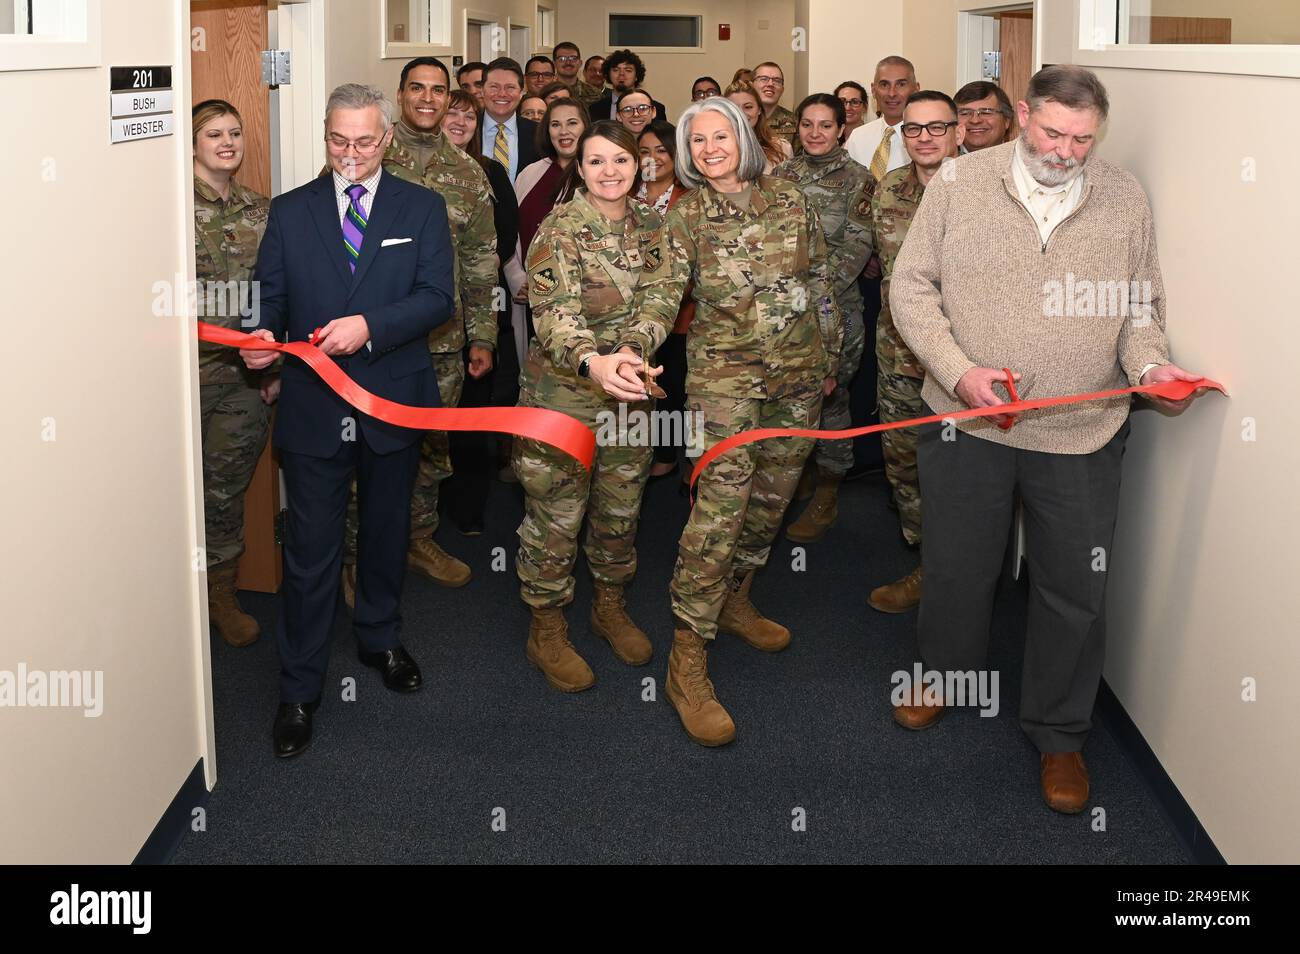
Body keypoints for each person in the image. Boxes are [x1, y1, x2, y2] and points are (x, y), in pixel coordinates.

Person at [889, 66, 1208, 813]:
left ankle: (1060, 733)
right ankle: (945, 673)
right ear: (1022, 116)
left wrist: (1153, 365)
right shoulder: (959, 184)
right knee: (959, 565)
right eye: (1053, 133)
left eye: (1082, 139)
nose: (1065, 151)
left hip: (1079, 433)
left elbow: (1139, 307)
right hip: (968, 422)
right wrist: (960, 371)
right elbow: (910, 287)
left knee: (1074, 590)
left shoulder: (1124, 196)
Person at [239, 84, 454, 758]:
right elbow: (269, 297)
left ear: (387, 137)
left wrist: (371, 326)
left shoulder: (421, 207)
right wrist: (259, 338)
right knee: (309, 553)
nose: (351, 154)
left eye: (365, 141)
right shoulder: (291, 211)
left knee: (387, 533)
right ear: (325, 134)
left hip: (392, 398)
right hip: (313, 408)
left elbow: (435, 298)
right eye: (339, 140)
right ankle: (299, 687)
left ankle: (380, 639)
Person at [633, 97, 842, 747]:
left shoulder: (791, 199)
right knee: (718, 516)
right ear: (688, 152)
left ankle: (733, 600)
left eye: (721, 136)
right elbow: (660, 297)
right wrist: (633, 349)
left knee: (770, 507)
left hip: (798, 381)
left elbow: (822, 282)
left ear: (744, 139)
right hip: (725, 388)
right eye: (698, 141)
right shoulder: (687, 216)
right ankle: (686, 662)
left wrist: (831, 357)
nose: (711, 148)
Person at [515, 120, 669, 691]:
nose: (611, 172)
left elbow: (663, 295)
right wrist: (593, 361)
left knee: (620, 508)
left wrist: (630, 350)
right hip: (563, 398)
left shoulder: (655, 226)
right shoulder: (560, 230)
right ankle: (547, 625)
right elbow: (553, 314)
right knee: (556, 517)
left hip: (629, 393)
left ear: (638, 166)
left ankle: (608, 605)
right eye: (597, 161)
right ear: (579, 169)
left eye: (621, 161)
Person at [337, 57, 498, 604]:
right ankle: (358, 557)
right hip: (375, 339)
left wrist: (483, 334)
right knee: (371, 448)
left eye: (437, 90)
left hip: (443, 340)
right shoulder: (368, 155)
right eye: (416, 89)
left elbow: (481, 257)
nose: (427, 99)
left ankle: (418, 539)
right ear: (400, 94)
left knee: (430, 447)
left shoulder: (467, 173)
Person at [858, 90, 965, 612]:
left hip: (964, 362)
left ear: (958, 131)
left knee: (959, 472)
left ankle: (955, 578)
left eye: (936, 127)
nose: (924, 137)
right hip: (899, 354)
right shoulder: (889, 189)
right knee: (903, 463)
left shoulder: (987, 190)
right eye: (914, 129)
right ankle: (926, 563)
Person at [192, 99, 272, 649]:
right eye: (214, 133)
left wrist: (277, 366)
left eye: (235, 133)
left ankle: (220, 593)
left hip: (242, 380)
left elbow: (276, 293)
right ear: (193, 143)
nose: (227, 142)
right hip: (177, 379)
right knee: (161, 491)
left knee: (223, 490)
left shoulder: (263, 212)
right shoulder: (162, 207)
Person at [776, 94, 874, 544]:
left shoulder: (859, 181)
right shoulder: (781, 176)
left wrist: (810, 290)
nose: (815, 133)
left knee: (832, 399)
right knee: (789, 396)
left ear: (841, 129)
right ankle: (799, 472)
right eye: (808, 124)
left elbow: (857, 248)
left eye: (825, 125)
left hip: (835, 310)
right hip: (784, 311)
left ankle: (829, 490)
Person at [441, 88, 521, 533]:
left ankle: (468, 511)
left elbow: (504, 238)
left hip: (477, 308)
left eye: (469, 117)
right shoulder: (409, 173)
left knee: (471, 420)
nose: (460, 122)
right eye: (453, 114)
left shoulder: (489, 172)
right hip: (427, 319)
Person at [505, 99, 591, 377]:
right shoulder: (531, 172)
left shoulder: (597, 174)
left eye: (572, 123)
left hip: (579, 307)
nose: (563, 131)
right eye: (555, 124)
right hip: (527, 297)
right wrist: (518, 279)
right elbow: (510, 233)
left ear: (586, 126)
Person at [635, 121, 694, 483]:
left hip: (681, 312)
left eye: (661, 150)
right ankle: (640, 452)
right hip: (629, 311)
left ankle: (673, 454)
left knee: (675, 387)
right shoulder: (622, 191)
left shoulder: (690, 198)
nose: (652, 158)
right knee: (637, 387)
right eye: (644, 150)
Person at [846, 56, 919, 179]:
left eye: (901, 84)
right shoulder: (858, 137)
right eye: (884, 85)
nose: (892, 93)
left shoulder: (927, 139)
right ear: (873, 90)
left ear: (916, 89)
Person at [480, 57, 539, 182]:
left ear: (522, 92)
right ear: (482, 91)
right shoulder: (466, 131)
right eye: (494, 87)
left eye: (510, 87)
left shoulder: (539, 134)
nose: (502, 94)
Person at [725, 79, 790, 172]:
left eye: (748, 107)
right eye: (734, 108)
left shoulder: (782, 148)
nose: (741, 114)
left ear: (759, 110)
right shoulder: (717, 150)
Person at [589, 49, 667, 123]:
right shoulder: (595, 109)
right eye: (616, 70)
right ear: (608, 75)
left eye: (628, 70)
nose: (621, 74)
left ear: (636, 76)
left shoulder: (656, 108)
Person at [954, 80, 1015, 151]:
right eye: (965, 113)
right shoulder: (944, 160)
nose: (975, 120)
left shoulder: (1020, 160)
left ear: (1006, 120)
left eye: (986, 112)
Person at [752, 61, 795, 144]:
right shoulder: (741, 119)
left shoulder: (795, 122)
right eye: (764, 79)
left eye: (777, 80)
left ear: (782, 89)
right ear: (752, 85)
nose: (770, 84)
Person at [552, 41, 603, 105]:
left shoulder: (595, 94)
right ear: (554, 64)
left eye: (573, 58)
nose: (568, 62)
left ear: (580, 63)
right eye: (562, 59)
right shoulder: (547, 92)